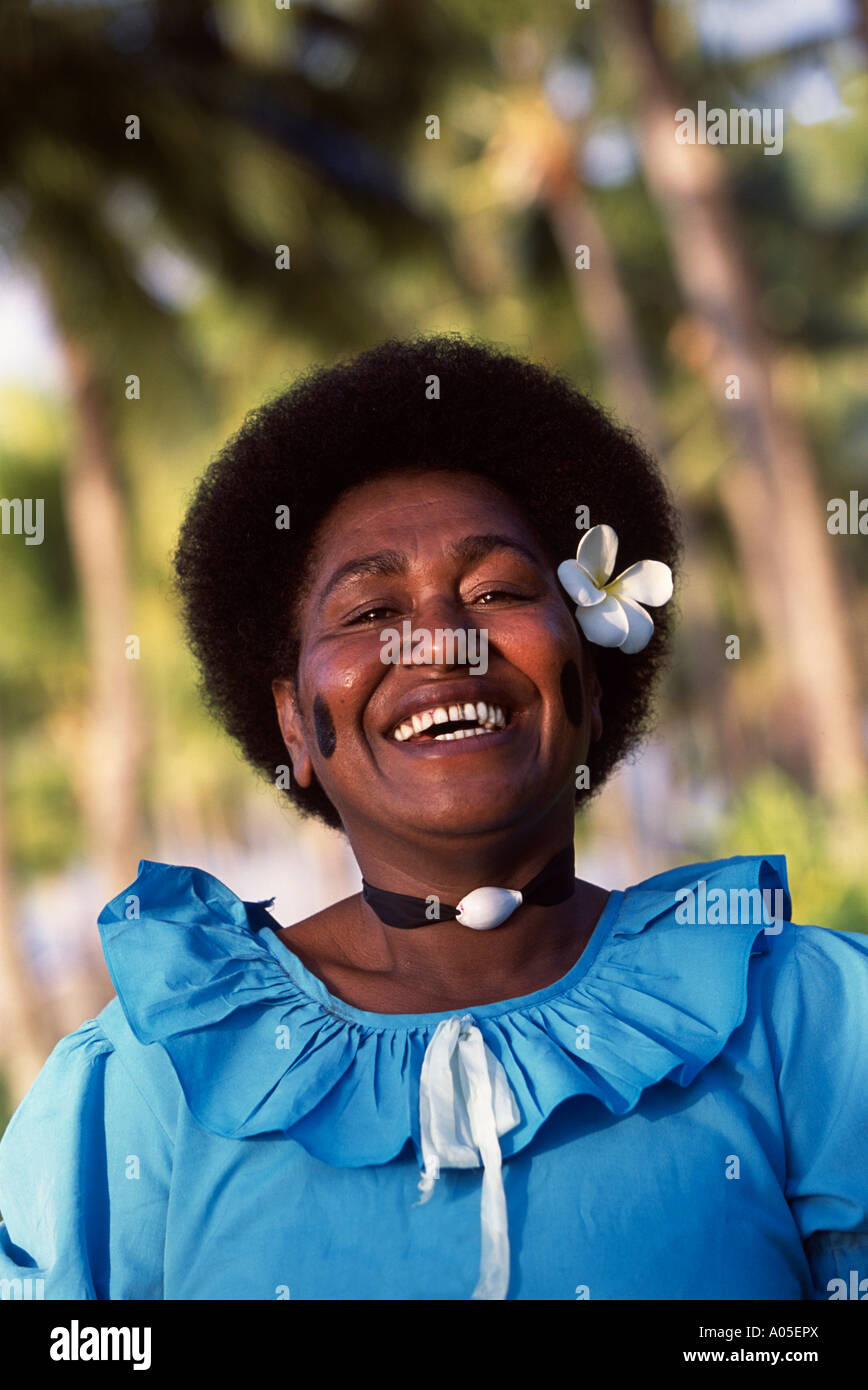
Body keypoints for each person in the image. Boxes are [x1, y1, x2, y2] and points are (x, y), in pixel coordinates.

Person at [1, 334, 866, 1301]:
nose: (440, 639)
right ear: (295, 721)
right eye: (369, 611)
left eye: (496, 591)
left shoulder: (810, 1023)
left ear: (589, 676)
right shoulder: (148, 1083)